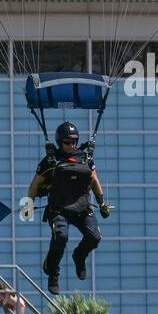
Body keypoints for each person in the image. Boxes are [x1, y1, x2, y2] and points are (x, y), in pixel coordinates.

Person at [27, 121, 111, 295]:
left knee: (94, 237)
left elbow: (94, 180)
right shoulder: (51, 161)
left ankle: (79, 256)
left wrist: (102, 203)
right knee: (61, 236)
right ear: (59, 141)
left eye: (74, 141)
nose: (71, 144)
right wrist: (28, 205)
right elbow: (35, 184)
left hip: (82, 208)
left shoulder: (85, 159)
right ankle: (52, 272)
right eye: (67, 142)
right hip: (59, 209)